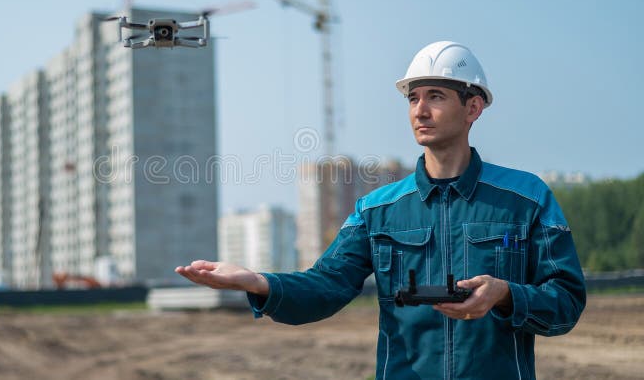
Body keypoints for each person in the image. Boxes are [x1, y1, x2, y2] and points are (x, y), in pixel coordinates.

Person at [176, 41, 586, 379]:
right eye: (413, 98)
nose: (419, 111)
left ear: (473, 108)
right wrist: (257, 282)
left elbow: (565, 303)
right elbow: (326, 286)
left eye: (436, 97)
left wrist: (505, 294)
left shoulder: (527, 198)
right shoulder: (376, 210)